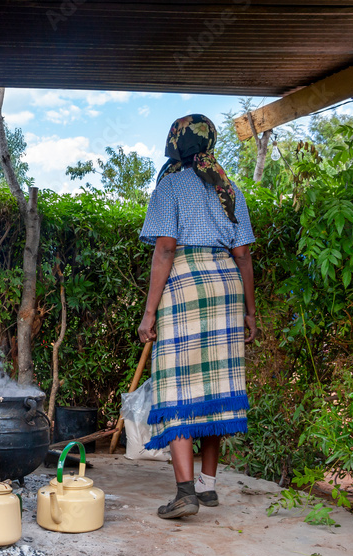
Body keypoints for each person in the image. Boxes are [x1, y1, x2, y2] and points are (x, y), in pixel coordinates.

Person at [137, 113, 257, 519]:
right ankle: (207, 486)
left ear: (175, 144)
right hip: (226, 287)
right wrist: (249, 310)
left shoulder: (169, 187)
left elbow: (166, 250)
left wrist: (148, 313)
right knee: (214, 386)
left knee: (179, 388)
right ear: (209, 143)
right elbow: (243, 255)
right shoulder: (228, 188)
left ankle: (185, 492)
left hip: (186, 287)